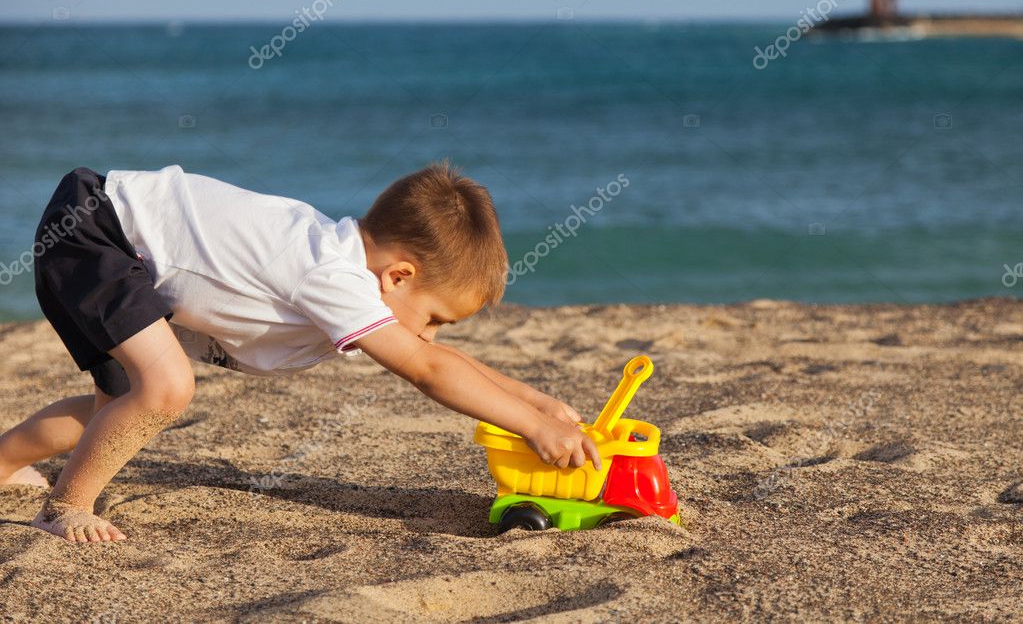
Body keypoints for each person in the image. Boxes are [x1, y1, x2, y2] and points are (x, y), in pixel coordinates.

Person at [0, 162, 600, 542]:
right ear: (398, 275)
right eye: (436, 317)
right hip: (99, 229)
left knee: (122, 406)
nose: (432, 334)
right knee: (167, 389)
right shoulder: (331, 274)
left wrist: (535, 401)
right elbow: (427, 369)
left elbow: (440, 358)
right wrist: (528, 425)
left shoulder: (344, 263)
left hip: (115, 236)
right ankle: (65, 507)